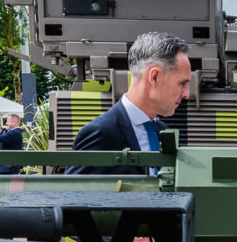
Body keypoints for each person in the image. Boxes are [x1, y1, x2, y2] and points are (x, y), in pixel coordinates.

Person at [66, 31, 191, 175]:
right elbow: (76, 195)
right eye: (182, 83)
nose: (187, 94)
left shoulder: (161, 130)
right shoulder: (101, 134)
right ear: (154, 76)